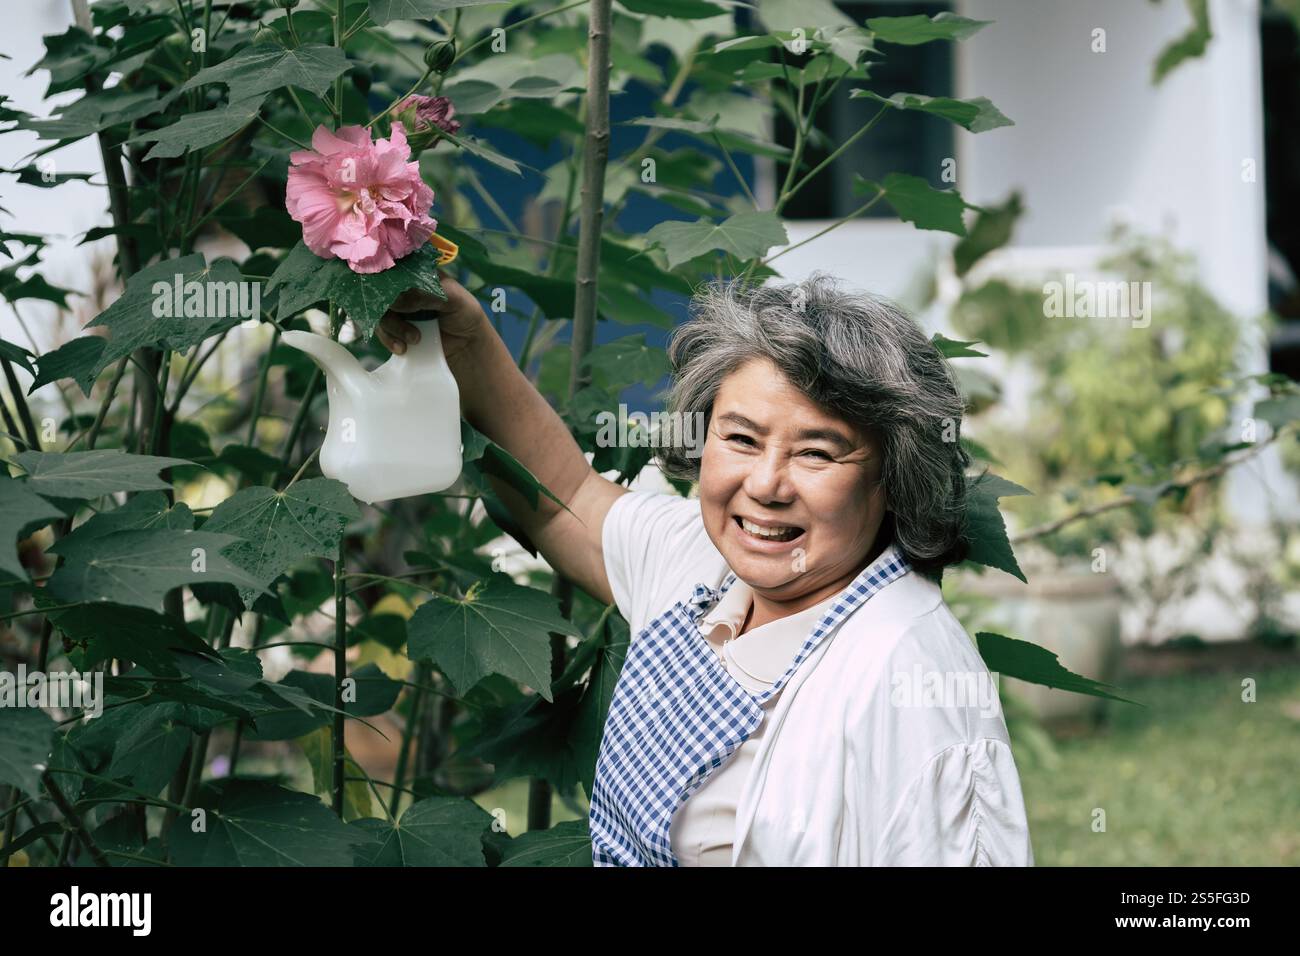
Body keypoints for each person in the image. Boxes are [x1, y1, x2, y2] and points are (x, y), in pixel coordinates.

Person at [373, 271, 1034, 867]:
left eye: (816, 453)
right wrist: (466, 342)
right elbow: (564, 498)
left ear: (894, 476)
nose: (766, 485)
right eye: (741, 438)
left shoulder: (912, 683)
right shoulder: (700, 561)